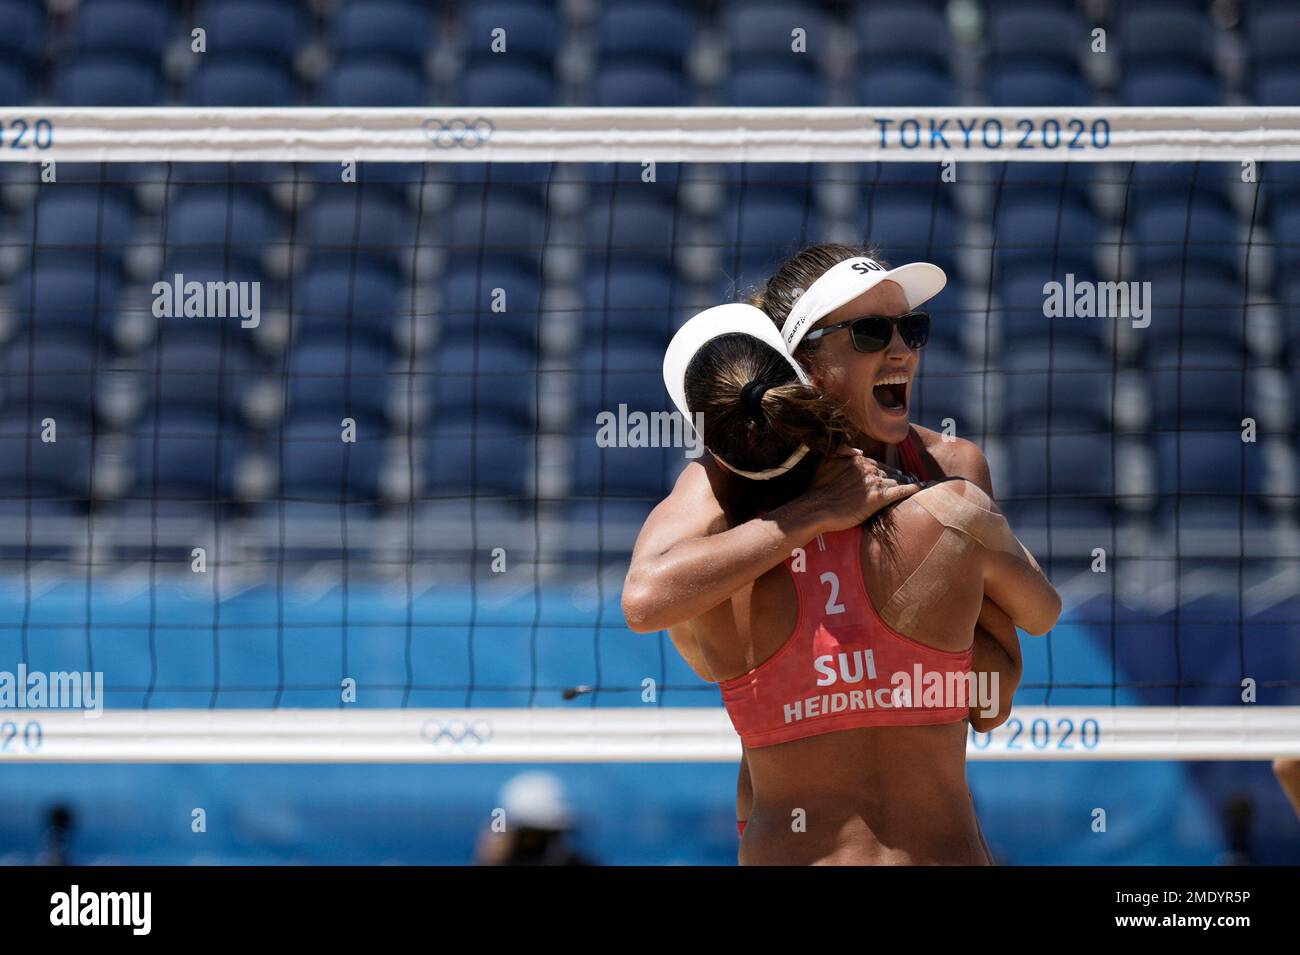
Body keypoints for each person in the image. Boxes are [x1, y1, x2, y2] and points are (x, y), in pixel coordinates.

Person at [624, 245, 1029, 840]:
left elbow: (990, 705)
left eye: (911, 328)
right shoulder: (737, 475)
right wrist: (814, 515)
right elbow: (646, 598)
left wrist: (895, 646)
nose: (901, 349)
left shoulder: (951, 466)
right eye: (870, 332)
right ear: (803, 360)